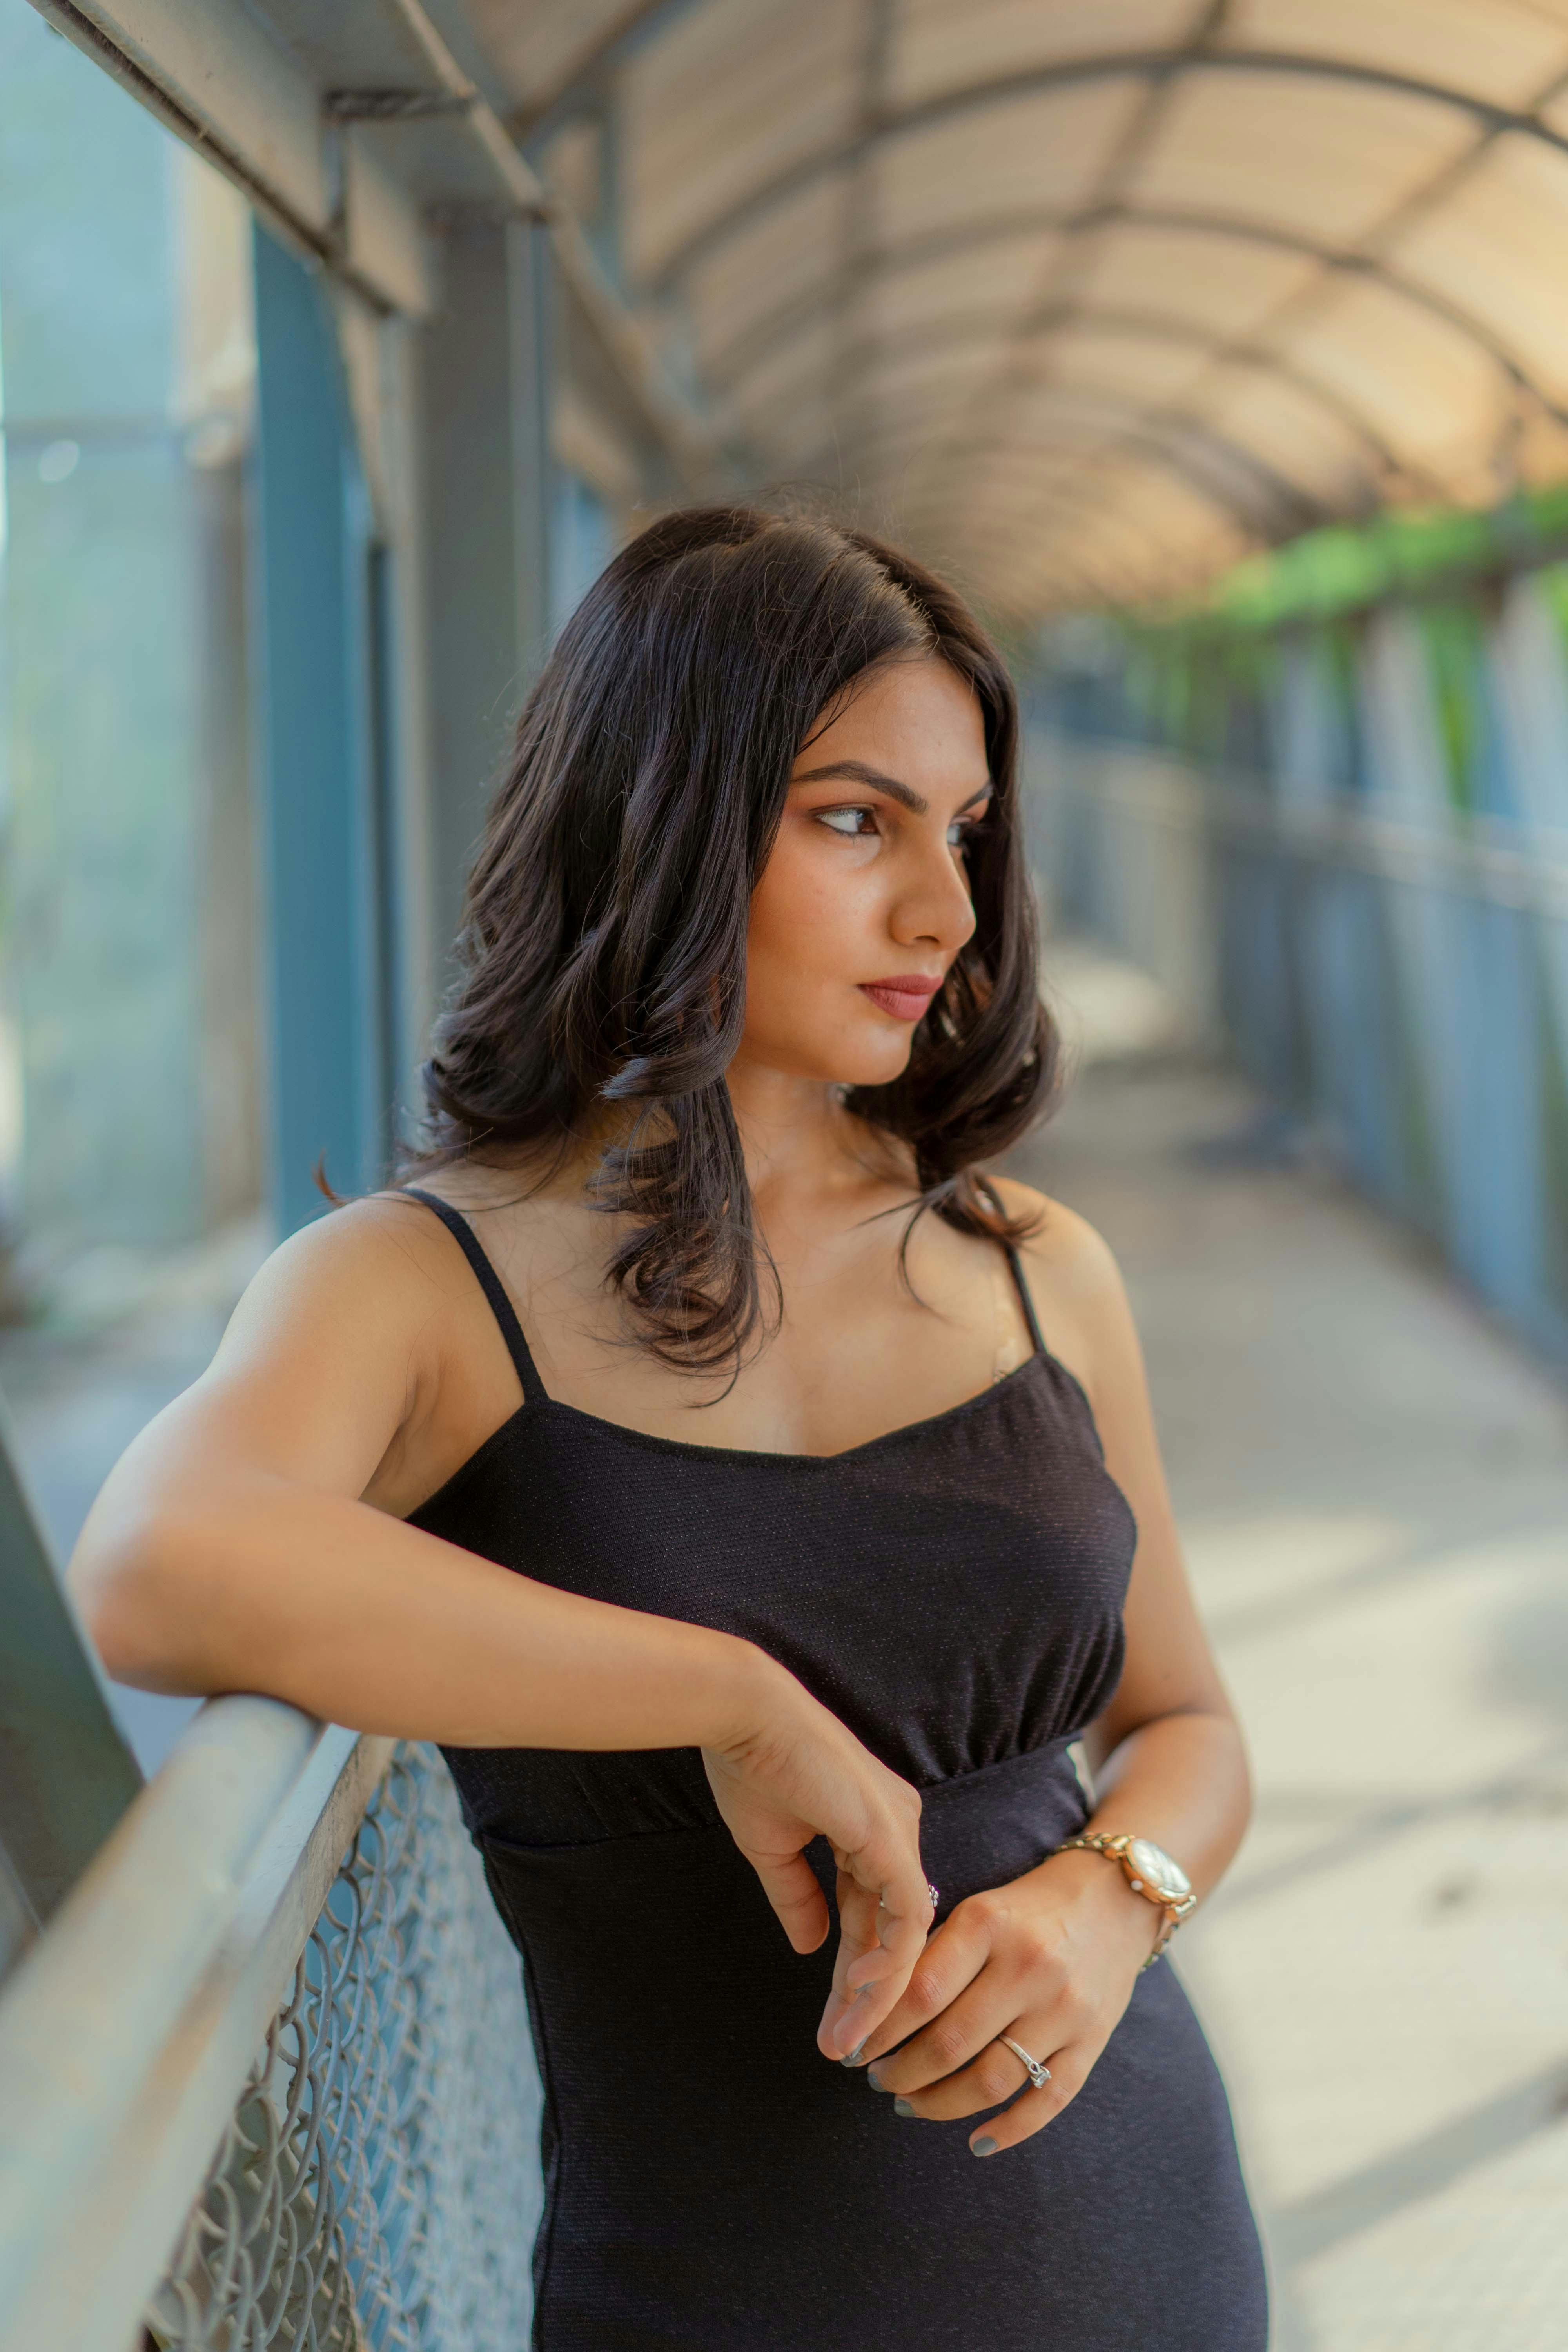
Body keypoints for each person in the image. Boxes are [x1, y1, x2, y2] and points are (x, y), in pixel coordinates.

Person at [70, 507, 1267, 2348]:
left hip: (1144, 2249)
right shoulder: (419, 1285)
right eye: (854, 820)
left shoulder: (1033, 1269)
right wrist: (729, 1698)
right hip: (716, 2297)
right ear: (666, 820)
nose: (942, 910)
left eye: (963, 833)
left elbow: (1182, 1723)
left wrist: (1111, 1906)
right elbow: (157, 1567)